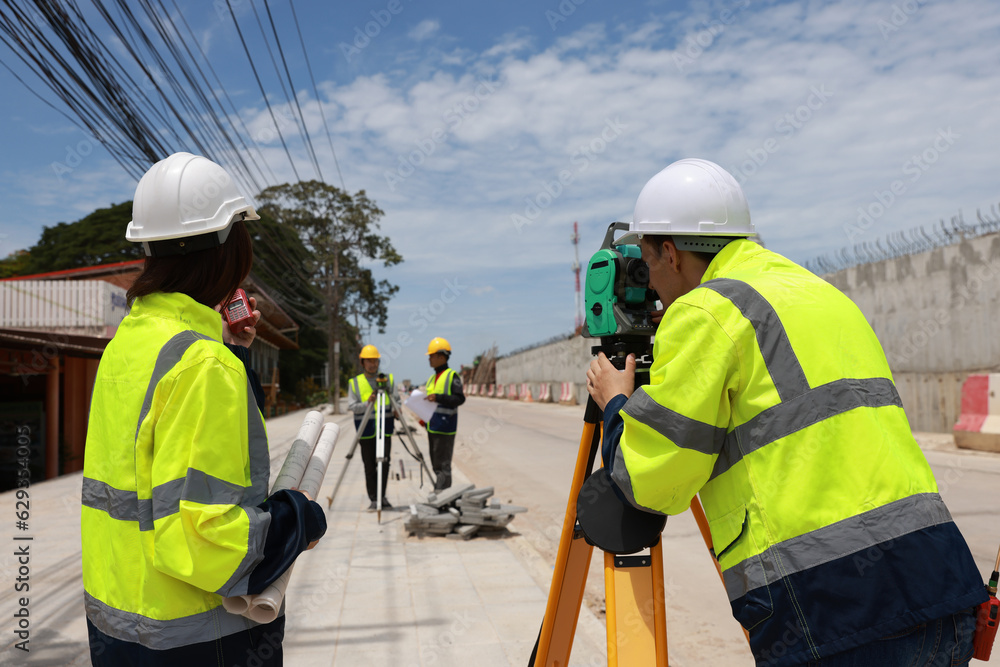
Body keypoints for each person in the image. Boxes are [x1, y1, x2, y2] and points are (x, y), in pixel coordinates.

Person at [586, 158, 986, 667]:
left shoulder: (706, 311)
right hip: (942, 587)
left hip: (836, 614)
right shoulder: (821, 295)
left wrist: (618, 402)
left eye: (647, 261)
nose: (652, 285)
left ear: (671, 251)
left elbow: (655, 480)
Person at [82, 152, 327, 666]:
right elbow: (200, 538)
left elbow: (163, 472)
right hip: (198, 639)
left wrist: (231, 353)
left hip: (120, 625)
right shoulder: (201, 363)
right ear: (226, 249)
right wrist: (296, 520)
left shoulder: (129, 342)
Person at [347, 344, 395, 510]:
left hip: (385, 429)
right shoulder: (354, 383)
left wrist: (398, 408)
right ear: (362, 362)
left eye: (375, 360)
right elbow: (352, 406)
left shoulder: (388, 380)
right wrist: (367, 403)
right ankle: (374, 498)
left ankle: (382, 496)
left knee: (384, 463)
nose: (373, 364)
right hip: (365, 430)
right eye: (369, 361)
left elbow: (396, 401)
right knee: (369, 465)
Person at [424, 337, 465, 491]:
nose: (429, 359)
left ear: (441, 356)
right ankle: (441, 493)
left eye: (431, 356)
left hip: (446, 428)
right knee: (436, 464)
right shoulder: (432, 379)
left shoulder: (452, 376)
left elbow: (459, 398)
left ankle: (444, 495)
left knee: (443, 465)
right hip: (433, 427)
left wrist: (439, 397)